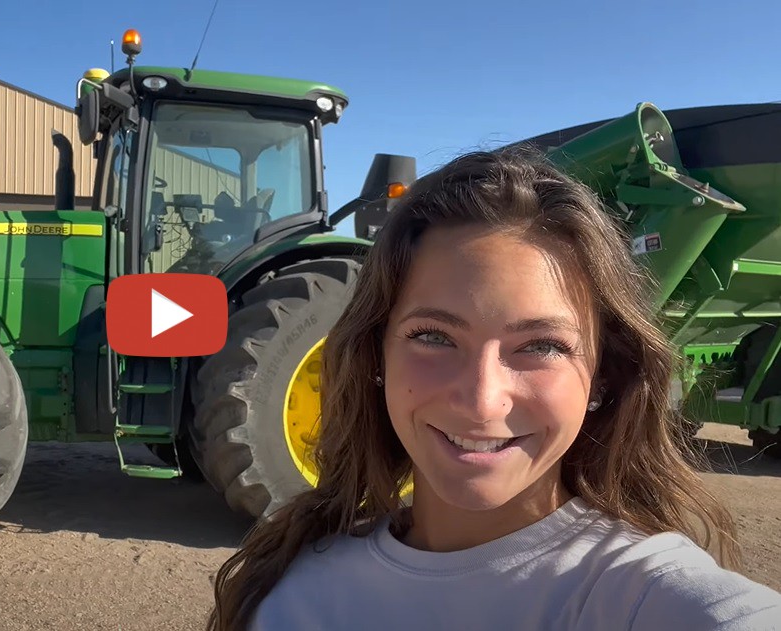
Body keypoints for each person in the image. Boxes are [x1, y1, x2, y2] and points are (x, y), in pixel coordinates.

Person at [206, 148, 781, 630]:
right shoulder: (291, 589)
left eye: (542, 346)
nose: (482, 399)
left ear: (604, 374)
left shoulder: (641, 597)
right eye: (433, 335)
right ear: (375, 355)